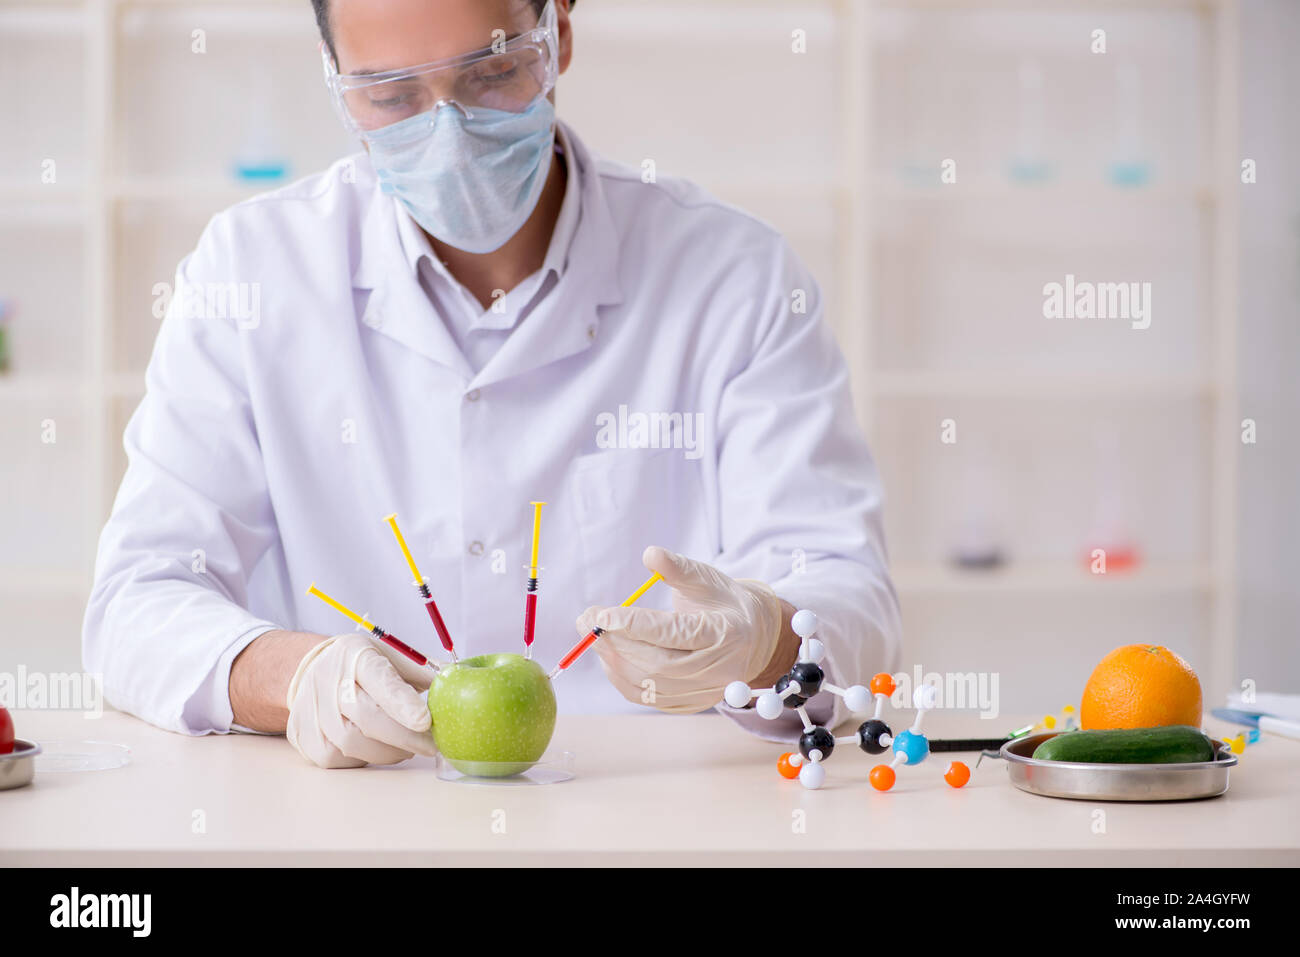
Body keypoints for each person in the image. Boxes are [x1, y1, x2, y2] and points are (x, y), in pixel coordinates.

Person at [83, 0, 901, 768]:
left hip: (658, 813)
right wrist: (292, 676)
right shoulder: (251, 274)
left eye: (490, 74)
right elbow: (138, 600)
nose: (450, 137)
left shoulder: (734, 277)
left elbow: (844, 585)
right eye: (392, 95)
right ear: (335, 82)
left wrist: (765, 639)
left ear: (559, 36)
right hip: (355, 817)